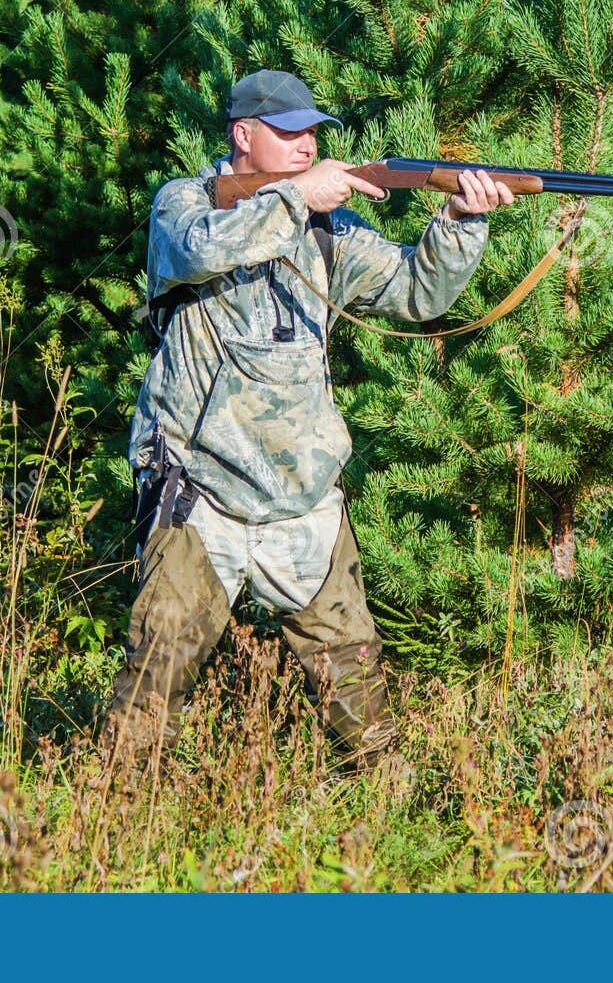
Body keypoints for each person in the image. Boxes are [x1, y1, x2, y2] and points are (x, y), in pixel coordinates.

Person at [104, 69, 516, 767]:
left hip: (303, 495)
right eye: (289, 132)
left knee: (353, 676)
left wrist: (459, 222)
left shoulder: (330, 231)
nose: (307, 146)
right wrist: (297, 198)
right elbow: (201, 250)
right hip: (202, 489)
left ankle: (387, 806)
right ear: (242, 135)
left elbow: (416, 296)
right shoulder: (185, 204)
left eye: (313, 134)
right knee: (158, 670)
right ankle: (112, 812)